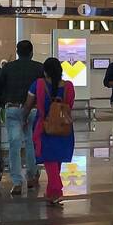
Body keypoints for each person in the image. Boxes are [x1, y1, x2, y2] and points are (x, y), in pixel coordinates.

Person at [24, 57, 75, 207]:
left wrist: (23, 118)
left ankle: (57, 191)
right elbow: (69, 105)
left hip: (44, 127)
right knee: (56, 160)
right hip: (63, 127)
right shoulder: (69, 86)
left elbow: (28, 103)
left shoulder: (38, 84)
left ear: (45, 71)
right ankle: (51, 193)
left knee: (49, 160)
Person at [0, 39, 45, 195]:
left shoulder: (8, 68)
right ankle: (31, 176)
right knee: (31, 143)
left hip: (13, 109)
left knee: (14, 145)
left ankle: (16, 182)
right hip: (34, 110)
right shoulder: (39, 68)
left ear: (17, 52)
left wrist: (5, 104)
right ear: (31, 52)